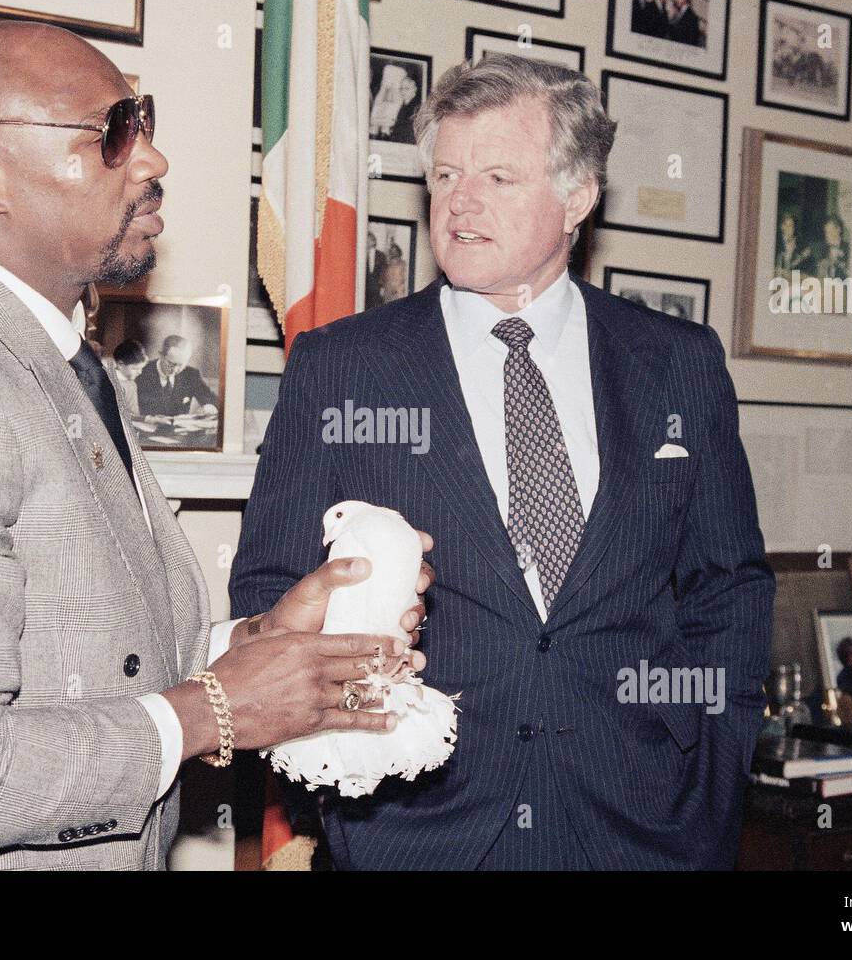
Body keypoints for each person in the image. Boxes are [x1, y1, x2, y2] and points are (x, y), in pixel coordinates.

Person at [0, 20, 433, 871]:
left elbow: (92, 654)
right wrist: (217, 707)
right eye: (112, 133)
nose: (154, 158)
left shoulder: (55, 358)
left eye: (145, 119)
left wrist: (260, 643)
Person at [231, 54, 774, 870]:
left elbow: (727, 588)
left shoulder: (676, 363)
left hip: (647, 826)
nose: (461, 202)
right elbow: (269, 589)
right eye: (446, 173)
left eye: (497, 176)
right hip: (419, 831)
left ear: (578, 197)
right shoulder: (343, 366)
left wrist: (717, 761)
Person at [135, 334, 218, 418]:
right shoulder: (140, 372)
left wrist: (210, 407)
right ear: (161, 355)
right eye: (171, 364)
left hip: (180, 429)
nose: (175, 370)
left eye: (181, 365)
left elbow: (214, 401)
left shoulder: (191, 375)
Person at [107, 337, 147, 418]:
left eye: (141, 368)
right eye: (135, 368)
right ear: (121, 364)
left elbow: (134, 413)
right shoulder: (108, 381)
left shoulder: (132, 385)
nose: (140, 372)